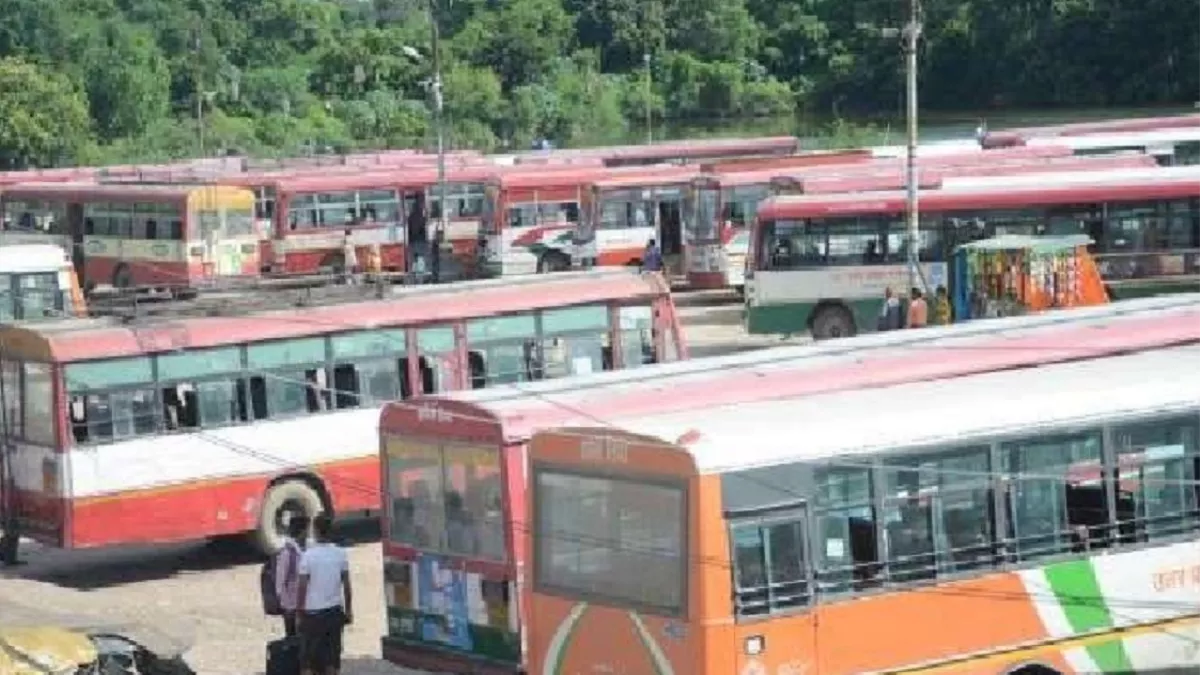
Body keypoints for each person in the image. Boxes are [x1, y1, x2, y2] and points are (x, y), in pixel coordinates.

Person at [297, 513, 352, 675]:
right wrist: (349, 610)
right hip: (334, 612)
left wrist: (299, 613)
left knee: (308, 661)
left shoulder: (308, 556)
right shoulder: (341, 554)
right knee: (332, 659)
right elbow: (347, 585)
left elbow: (302, 588)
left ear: (315, 531)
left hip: (312, 615)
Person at [276, 515, 310, 637]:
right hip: (292, 606)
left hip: (306, 604)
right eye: (307, 530)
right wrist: (287, 606)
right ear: (301, 532)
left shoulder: (305, 550)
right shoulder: (287, 553)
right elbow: (280, 582)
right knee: (293, 638)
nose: (309, 533)